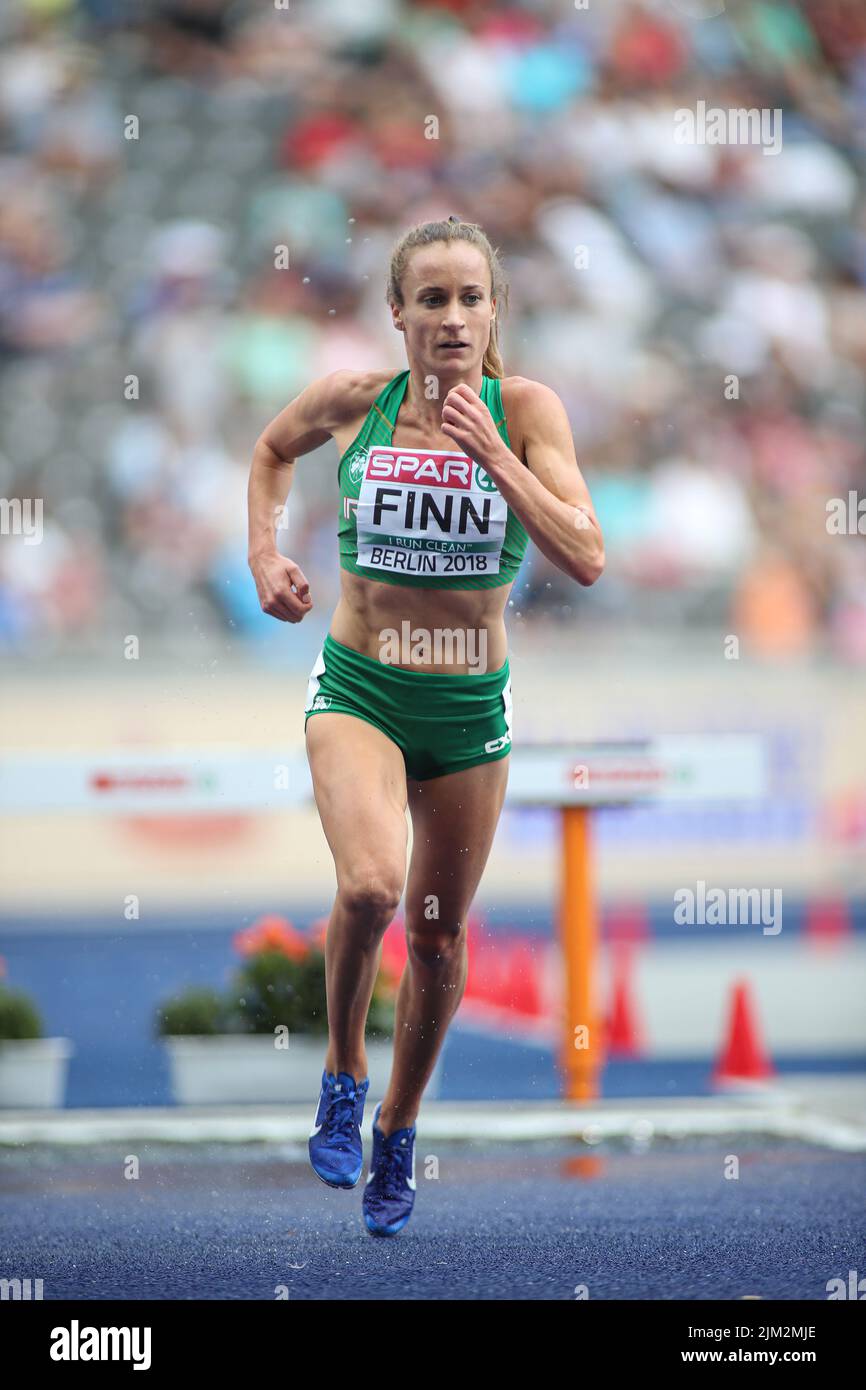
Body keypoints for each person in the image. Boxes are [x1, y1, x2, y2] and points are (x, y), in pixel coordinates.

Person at [247, 216, 604, 1236]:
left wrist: (499, 459)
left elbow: (585, 553)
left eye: (470, 298)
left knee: (439, 936)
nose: (451, 317)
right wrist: (264, 555)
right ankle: (344, 1074)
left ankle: (399, 1129)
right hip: (361, 685)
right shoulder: (354, 403)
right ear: (396, 313)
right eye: (431, 299)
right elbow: (272, 451)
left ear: (494, 314)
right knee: (367, 887)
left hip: (465, 707)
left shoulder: (525, 411)